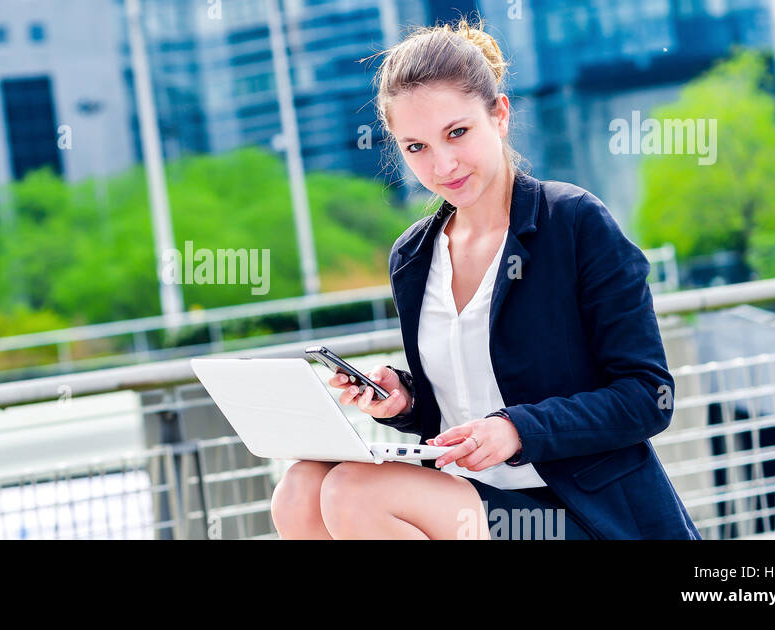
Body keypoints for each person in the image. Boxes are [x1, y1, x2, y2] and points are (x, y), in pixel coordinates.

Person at [269, 18, 701, 540]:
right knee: (299, 487)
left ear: (498, 114)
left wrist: (517, 429)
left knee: (353, 492)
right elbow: (460, 402)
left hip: (573, 512)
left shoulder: (574, 223)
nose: (443, 164)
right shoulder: (413, 256)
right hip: (465, 498)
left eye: (457, 133)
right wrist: (404, 401)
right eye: (416, 147)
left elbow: (646, 394)